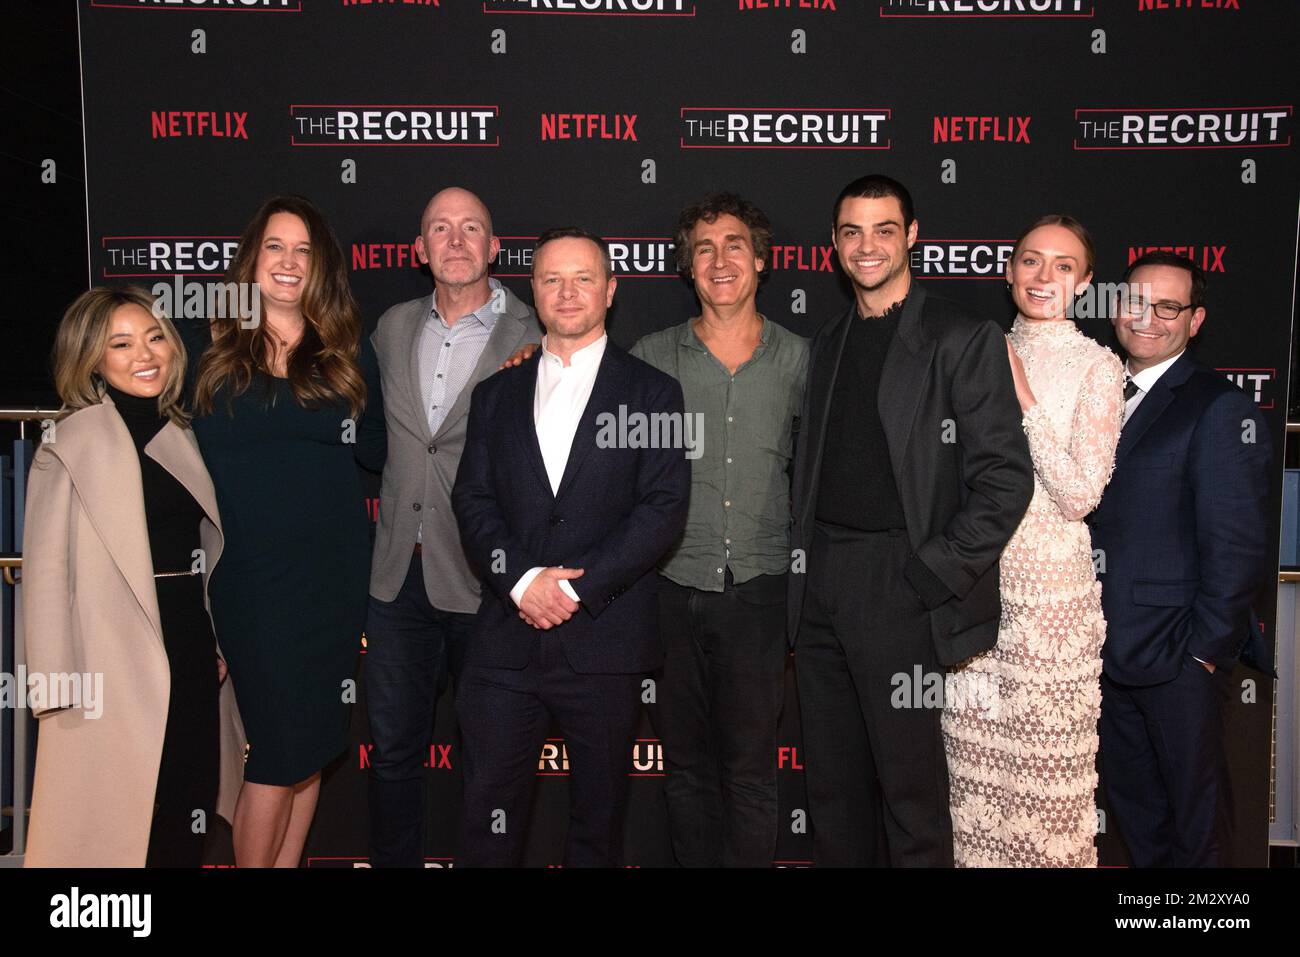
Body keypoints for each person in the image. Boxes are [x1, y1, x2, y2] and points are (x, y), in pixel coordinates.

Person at [501, 194, 808, 867]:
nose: (720, 260)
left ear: (761, 259)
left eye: (734, 244)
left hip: (759, 590)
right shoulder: (648, 360)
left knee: (752, 773)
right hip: (665, 589)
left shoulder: (801, 362)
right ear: (686, 268)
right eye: (703, 247)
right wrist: (532, 366)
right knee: (688, 772)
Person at [788, 174, 1034, 867]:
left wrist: (932, 571)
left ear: (913, 236)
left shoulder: (960, 337)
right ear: (834, 244)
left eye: (884, 230)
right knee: (833, 791)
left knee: (909, 795)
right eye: (851, 232)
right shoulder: (829, 340)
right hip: (821, 583)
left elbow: (1005, 477)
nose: (867, 246)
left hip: (898, 578)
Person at [451, 228, 690, 867]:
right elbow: (472, 502)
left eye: (584, 277)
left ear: (610, 290)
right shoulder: (495, 395)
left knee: (598, 826)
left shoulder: (654, 393)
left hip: (606, 644)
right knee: (487, 823)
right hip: (505, 641)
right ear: (533, 290)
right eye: (553, 278)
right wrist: (524, 582)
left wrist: (576, 589)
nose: (568, 291)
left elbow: (663, 509)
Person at [182, 195, 386, 867]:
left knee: (313, 749)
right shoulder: (206, 348)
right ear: (253, 258)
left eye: (303, 250)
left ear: (320, 265)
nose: (289, 261)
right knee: (274, 752)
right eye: (275, 246)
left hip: (330, 584)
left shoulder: (347, 354)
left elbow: (380, 451)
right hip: (249, 586)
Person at [23, 286, 244, 868]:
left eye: (153, 338)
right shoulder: (69, 442)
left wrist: (213, 640)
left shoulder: (184, 435)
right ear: (92, 359)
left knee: (185, 797)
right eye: (120, 344)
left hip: (188, 644)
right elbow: (45, 571)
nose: (144, 354)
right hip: (107, 655)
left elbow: (203, 554)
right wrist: (51, 683)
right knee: (117, 820)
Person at [942, 215, 1125, 867]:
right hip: (975, 593)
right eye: (1031, 260)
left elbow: (1080, 494)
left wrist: (1021, 394)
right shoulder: (968, 348)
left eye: (1063, 264)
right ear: (1009, 268)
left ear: (1085, 281)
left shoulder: (1098, 367)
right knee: (975, 784)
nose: (1044, 276)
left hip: (1050, 607)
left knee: (1047, 783)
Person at [366, 187, 540, 867]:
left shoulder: (534, 332)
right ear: (419, 250)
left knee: (490, 760)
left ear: (495, 248)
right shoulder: (390, 327)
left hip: (485, 577)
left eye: (473, 227)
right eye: (440, 227)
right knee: (392, 754)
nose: (457, 239)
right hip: (395, 576)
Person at [1089, 251, 1271, 867]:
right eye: (1138, 302)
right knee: (1139, 826)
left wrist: (1202, 654)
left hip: (1177, 659)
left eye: (1168, 307)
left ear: (1195, 321)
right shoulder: (1100, 393)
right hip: (1103, 653)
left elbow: (1239, 545)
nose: (1149, 319)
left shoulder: (1217, 407)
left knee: (1197, 833)